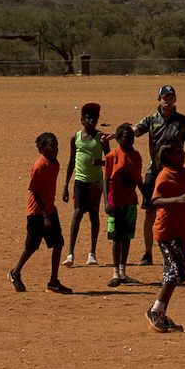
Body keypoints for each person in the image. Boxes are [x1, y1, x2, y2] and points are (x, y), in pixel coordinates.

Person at [144, 137, 185, 332]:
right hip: (167, 232)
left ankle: (160, 310)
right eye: (178, 152)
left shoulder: (181, 173)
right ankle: (155, 310)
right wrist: (177, 199)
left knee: (176, 272)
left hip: (179, 231)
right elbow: (155, 201)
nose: (182, 155)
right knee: (174, 272)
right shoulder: (164, 175)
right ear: (167, 155)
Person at [11, 131, 70, 294]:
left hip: (50, 210)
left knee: (58, 243)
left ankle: (53, 282)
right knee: (31, 246)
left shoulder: (55, 163)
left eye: (57, 145)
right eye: (53, 145)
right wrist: (45, 216)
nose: (57, 149)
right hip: (37, 212)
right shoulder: (39, 165)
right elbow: (35, 192)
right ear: (42, 148)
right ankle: (15, 272)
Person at [67, 103, 111, 266]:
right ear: (82, 120)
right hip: (80, 181)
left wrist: (100, 162)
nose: (91, 120)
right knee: (77, 213)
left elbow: (111, 160)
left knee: (94, 215)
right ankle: (70, 253)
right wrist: (66, 185)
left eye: (94, 117)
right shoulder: (75, 137)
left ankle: (92, 253)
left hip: (96, 183)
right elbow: (71, 161)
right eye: (88, 117)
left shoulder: (101, 138)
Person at [102, 123, 145, 286]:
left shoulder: (137, 156)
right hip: (116, 201)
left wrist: (145, 195)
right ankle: (115, 272)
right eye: (126, 138)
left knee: (127, 237)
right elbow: (106, 179)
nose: (130, 141)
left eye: (132, 138)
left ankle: (123, 271)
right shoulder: (112, 156)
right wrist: (106, 201)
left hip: (130, 201)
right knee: (116, 238)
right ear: (118, 139)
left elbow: (138, 178)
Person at [132, 84, 185, 191]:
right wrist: (117, 134)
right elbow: (135, 130)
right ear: (159, 99)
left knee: (174, 204)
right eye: (165, 98)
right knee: (151, 204)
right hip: (154, 169)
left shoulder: (184, 121)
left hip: (175, 170)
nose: (168, 102)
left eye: (171, 99)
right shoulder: (152, 120)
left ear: (175, 100)